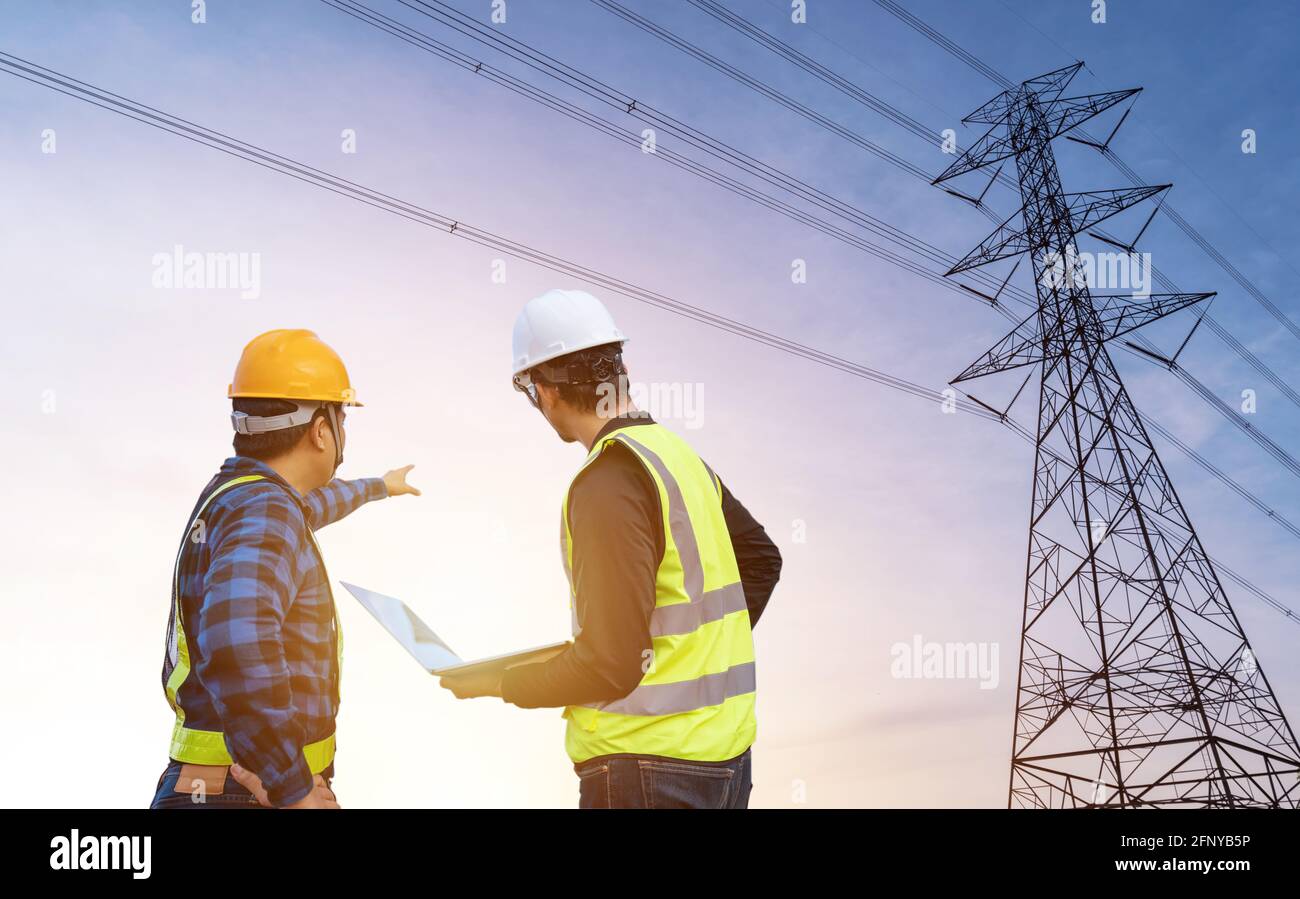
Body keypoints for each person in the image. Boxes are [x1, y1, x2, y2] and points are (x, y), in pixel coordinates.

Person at [441, 289, 782, 809]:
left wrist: (501, 683)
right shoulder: (676, 456)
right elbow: (762, 560)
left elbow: (610, 665)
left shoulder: (606, 481)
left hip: (646, 767)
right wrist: (688, 656)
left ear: (542, 390)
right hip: (725, 756)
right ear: (619, 369)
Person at [150, 329, 419, 809]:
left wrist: (380, 486)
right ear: (320, 429)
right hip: (244, 794)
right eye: (340, 418)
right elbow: (237, 636)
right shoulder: (266, 510)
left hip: (218, 789)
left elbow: (315, 505)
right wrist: (290, 787)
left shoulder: (244, 497)